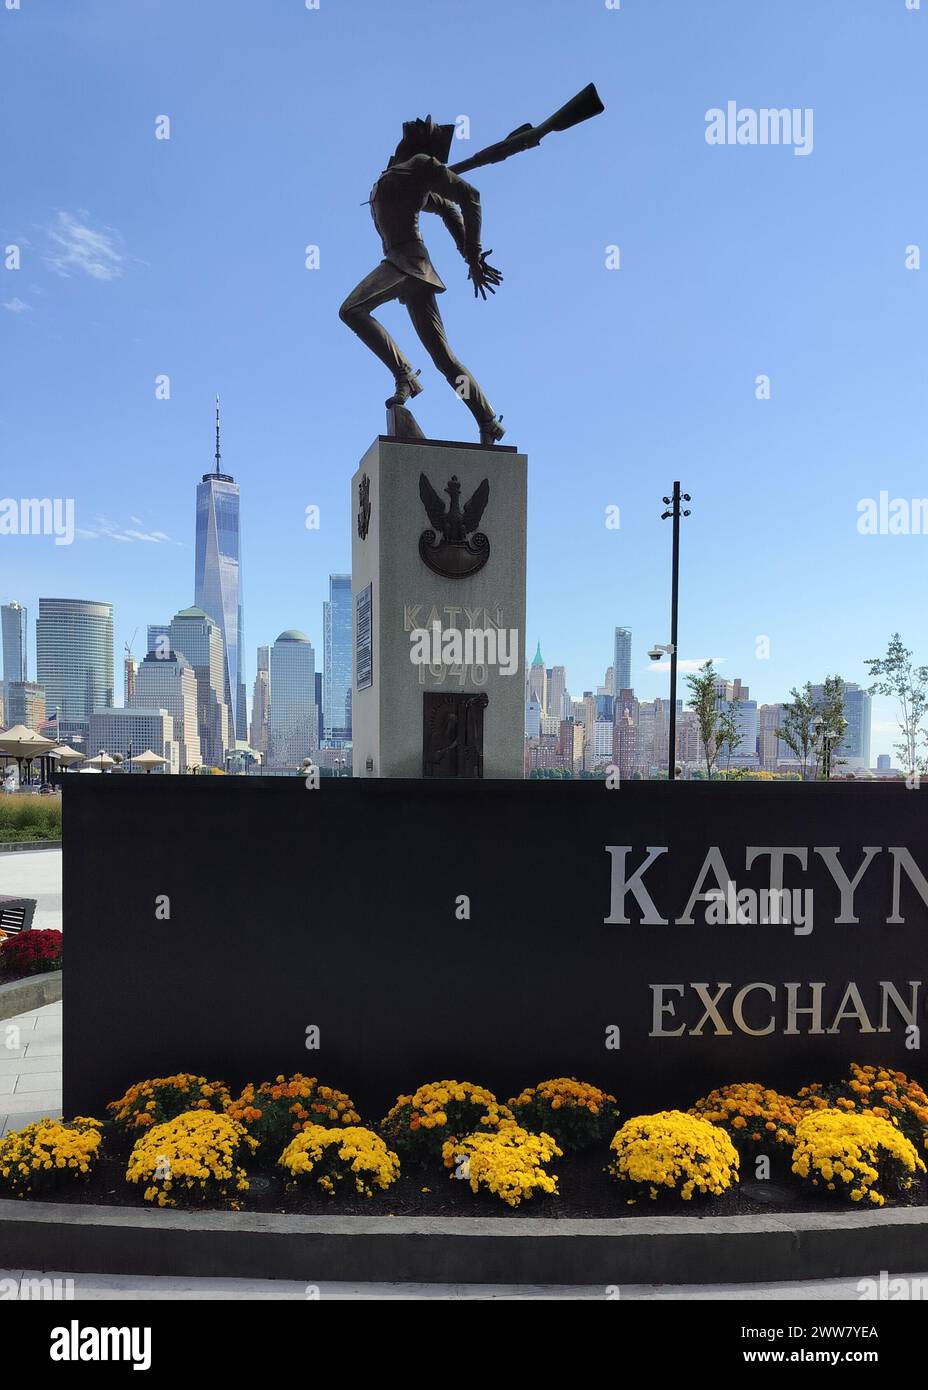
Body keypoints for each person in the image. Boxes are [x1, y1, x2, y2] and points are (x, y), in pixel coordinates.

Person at [339, 116, 505, 445]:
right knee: (444, 358)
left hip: (409, 263)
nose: (415, 123)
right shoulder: (405, 173)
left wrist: (470, 254)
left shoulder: (419, 166)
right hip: (405, 265)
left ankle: (404, 374)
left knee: (352, 310)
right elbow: (446, 208)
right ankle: (487, 418)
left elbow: (468, 198)